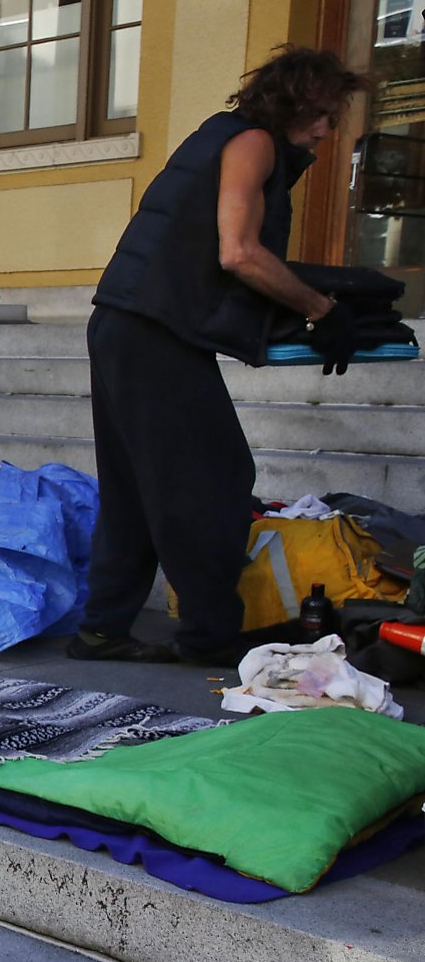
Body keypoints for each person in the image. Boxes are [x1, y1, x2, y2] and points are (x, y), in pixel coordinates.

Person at [71, 46, 370, 666]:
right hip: (154, 331)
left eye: (330, 119)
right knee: (213, 480)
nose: (323, 130)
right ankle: (210, 638)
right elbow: (239, 253)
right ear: (289, 102)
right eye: (318, 114)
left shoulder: (225, 135)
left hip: (127, 322)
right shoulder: (254, 143)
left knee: (135, 490)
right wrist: (322, 309)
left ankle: (102, 629)